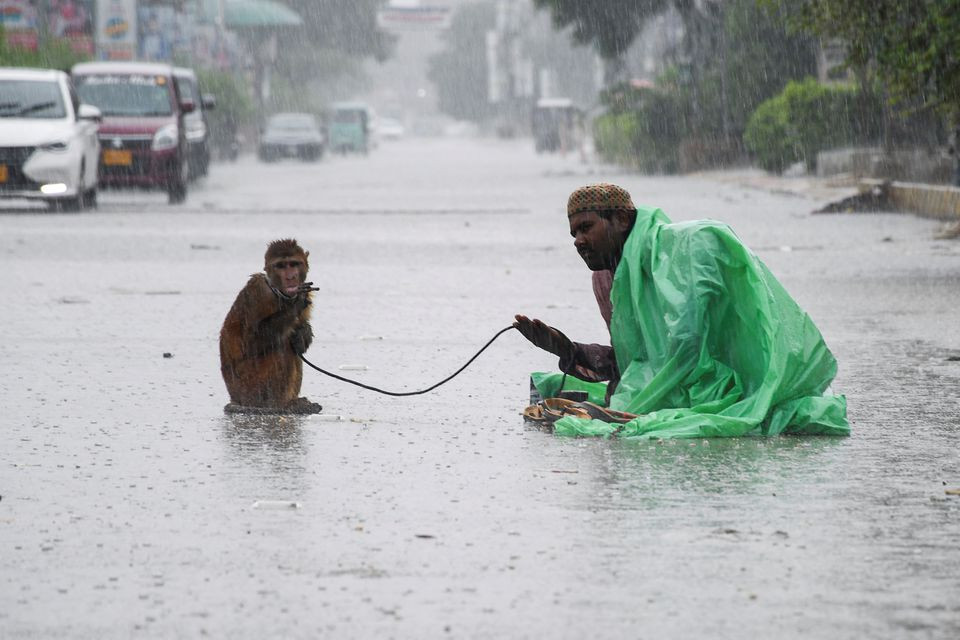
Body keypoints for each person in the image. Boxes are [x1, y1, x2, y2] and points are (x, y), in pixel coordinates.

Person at [514, 183, 848, 439]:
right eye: (573, 233)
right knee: (556, 393)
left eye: (586, 227)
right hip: (677, 381)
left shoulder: (691, 245)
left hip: (727, 379)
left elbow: (687, 353)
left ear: (620, 219)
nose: (578, 240)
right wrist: (567, 348)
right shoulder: (606, 279)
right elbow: (639, 361)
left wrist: (632, 408)